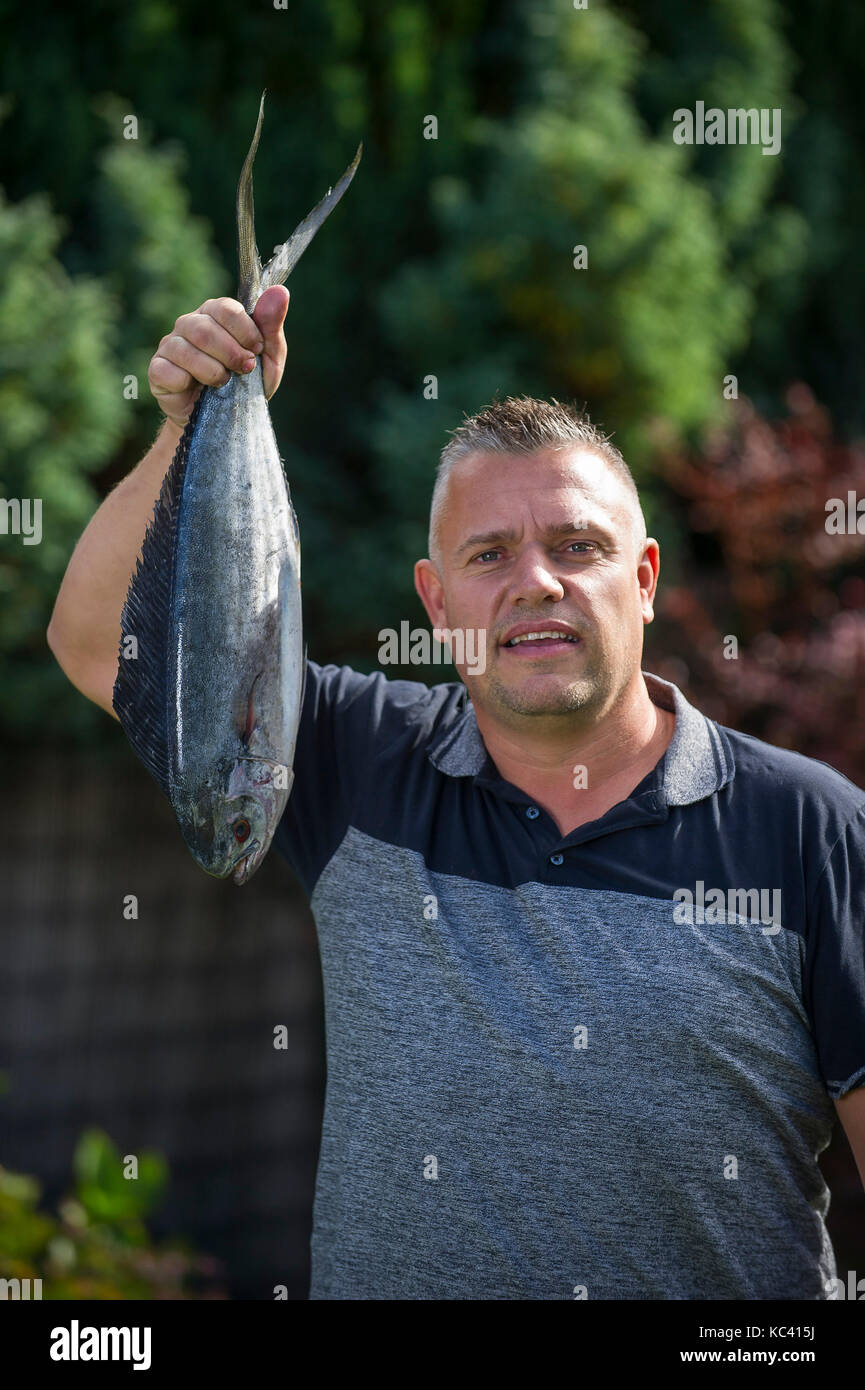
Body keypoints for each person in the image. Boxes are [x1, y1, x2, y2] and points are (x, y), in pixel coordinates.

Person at [48, 289, 865, 1300]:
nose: (535, 582)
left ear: (645, 578)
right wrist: (188, 422)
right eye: (489, 555)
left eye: (576, 546)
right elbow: (96, 646)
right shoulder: (348, 758)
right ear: (437, 603)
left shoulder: (807, 826)